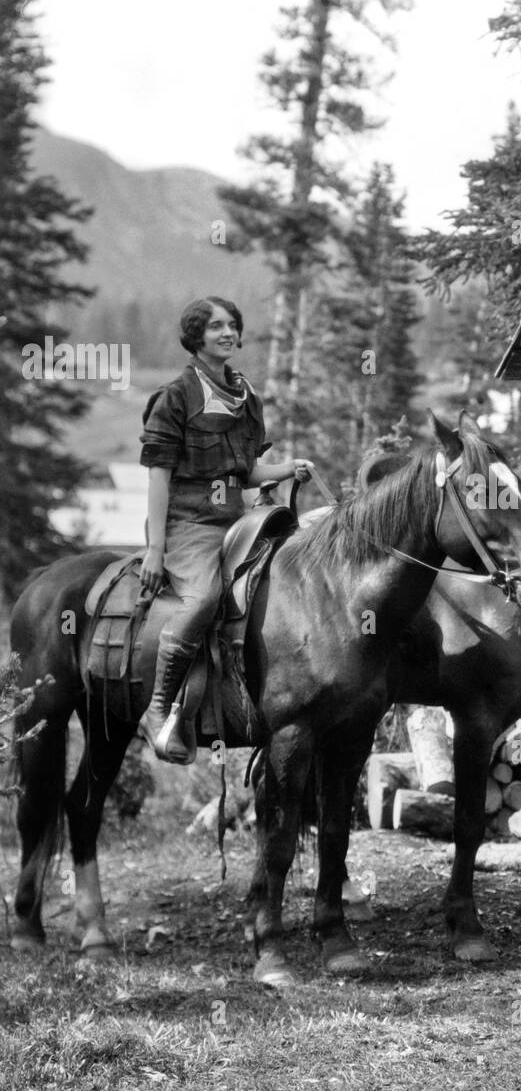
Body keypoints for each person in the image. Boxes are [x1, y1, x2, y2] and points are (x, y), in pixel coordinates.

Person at [138, 296, 312, 762]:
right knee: (207, 597)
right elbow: (158, 473)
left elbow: (249, 472)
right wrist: (157, 547)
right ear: (195, 336)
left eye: (233, 325)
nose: (228, 332)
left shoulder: (245, 395)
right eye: (216, 326)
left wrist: (287, 468)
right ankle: (158, 709)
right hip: (188, 524)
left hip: (237, 519)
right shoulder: (174, 397)